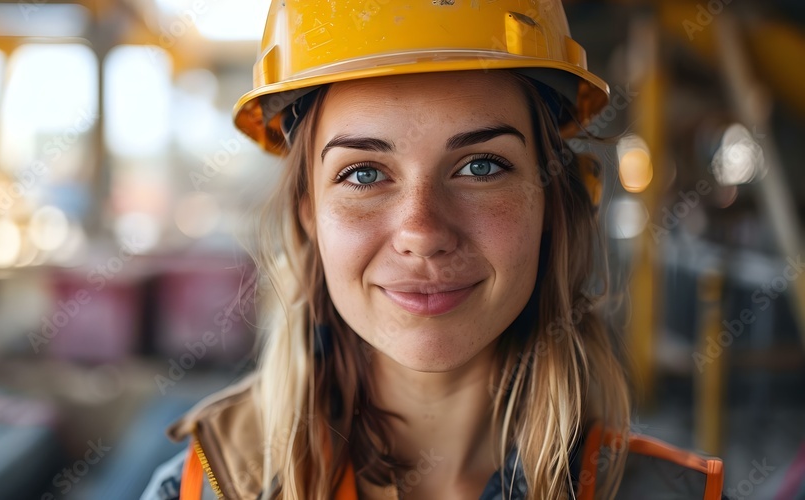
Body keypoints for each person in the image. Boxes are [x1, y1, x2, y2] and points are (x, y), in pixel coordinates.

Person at [143, 1, 726, 498]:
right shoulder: (199, 488)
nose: (421, 231)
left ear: (553, 203)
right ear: (309, 215)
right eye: (365, 174)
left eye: (481, 166)